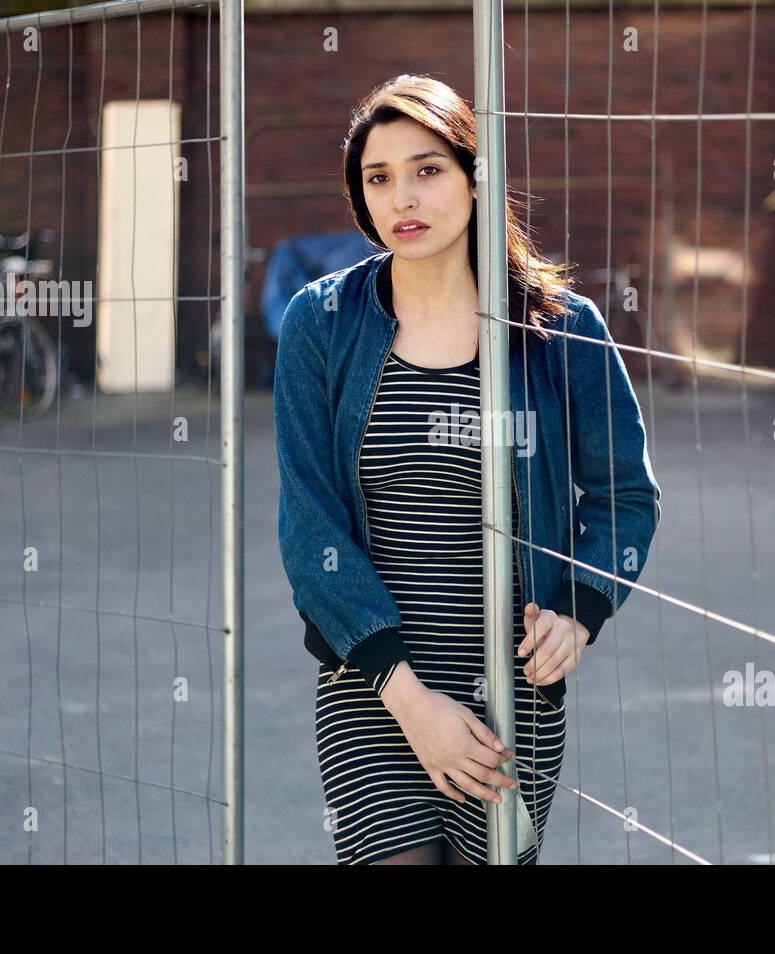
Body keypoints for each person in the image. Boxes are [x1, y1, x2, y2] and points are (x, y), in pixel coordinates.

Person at [273, 74, 661, 864]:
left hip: (513, 694)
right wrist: (408, 700)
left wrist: (582, 609)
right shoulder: (321, 322)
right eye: (378, 178)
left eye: (427, 169)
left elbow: (625, 494)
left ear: (475, 177)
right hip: (376, 687)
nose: (401, 197)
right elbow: (310, 525)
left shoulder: (561, 331)